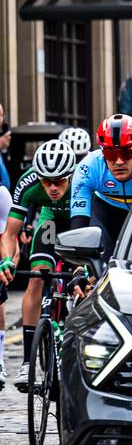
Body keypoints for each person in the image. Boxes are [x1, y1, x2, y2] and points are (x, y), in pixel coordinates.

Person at [0, 139, 79, 384]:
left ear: (69, 175)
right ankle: (27, 363)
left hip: (78, 219)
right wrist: (6, 261)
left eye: (59, 181)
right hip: (50, 221)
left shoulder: (82, 180)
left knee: (83, 276)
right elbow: (10, 233)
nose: (52, 187)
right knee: (36, 279)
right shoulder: (29, 183)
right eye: (46, 181)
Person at [68, 114, 132, 258]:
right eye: (111, 154)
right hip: (106, 214)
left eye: (126, 153)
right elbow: (79, 221)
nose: (119, 161)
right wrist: (81, 265)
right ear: (102, 152)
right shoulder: (89, 168)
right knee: (98, 260)